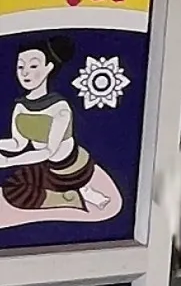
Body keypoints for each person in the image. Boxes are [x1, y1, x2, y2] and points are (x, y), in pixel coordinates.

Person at [0, 37, 122, 224]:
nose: (25, 73)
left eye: (33, 66)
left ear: (48, 67)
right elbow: (18, 143)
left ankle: (75, 195)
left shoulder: (60, 108)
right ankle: (75, 194)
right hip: (43, 166)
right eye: (20, 67)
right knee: (14, 189)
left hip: (69, 169)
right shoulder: (21, 107)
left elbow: (49, 151)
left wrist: (8, 161)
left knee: (24, 196)